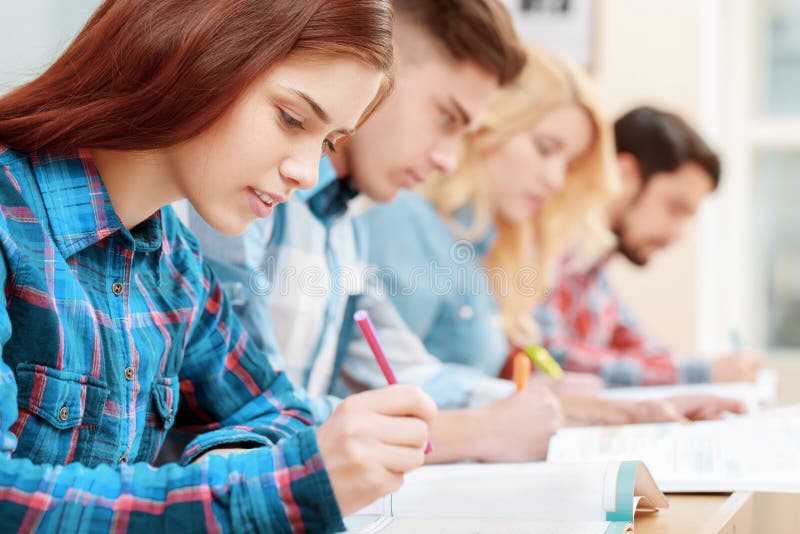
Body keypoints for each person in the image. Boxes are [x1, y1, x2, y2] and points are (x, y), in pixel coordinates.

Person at [0, 1, 437, 530]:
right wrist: (266, 492)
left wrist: (230, 466)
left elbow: (281, 413)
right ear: (196, 51)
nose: (305, 171)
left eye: (326, 143)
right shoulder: (10, 221)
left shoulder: (176, 266)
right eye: (291, 118)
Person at [188, 0, 565, 463]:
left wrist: (532, 406)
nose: (448, 159)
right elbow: (252, 411)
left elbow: (407, 370)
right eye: (447, 117)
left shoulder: (343, 220)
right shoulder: (239, 191)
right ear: (379, 66)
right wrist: (474, 432)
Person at [362, 46, 744, 429]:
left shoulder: (488, 250)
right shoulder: (408, 223)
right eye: (545, 149)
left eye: (568, 163)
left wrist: (611, 410)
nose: (555, 180)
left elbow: (453, 388)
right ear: (487, 126)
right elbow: (380, 396)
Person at [535, 106, 763, 386]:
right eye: (674, 208)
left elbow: (636, 344)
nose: (677, 233)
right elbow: (549, 358)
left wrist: (711, 373)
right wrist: (702, 374)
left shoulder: (594, 265)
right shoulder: (542, 243)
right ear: (625, 174)